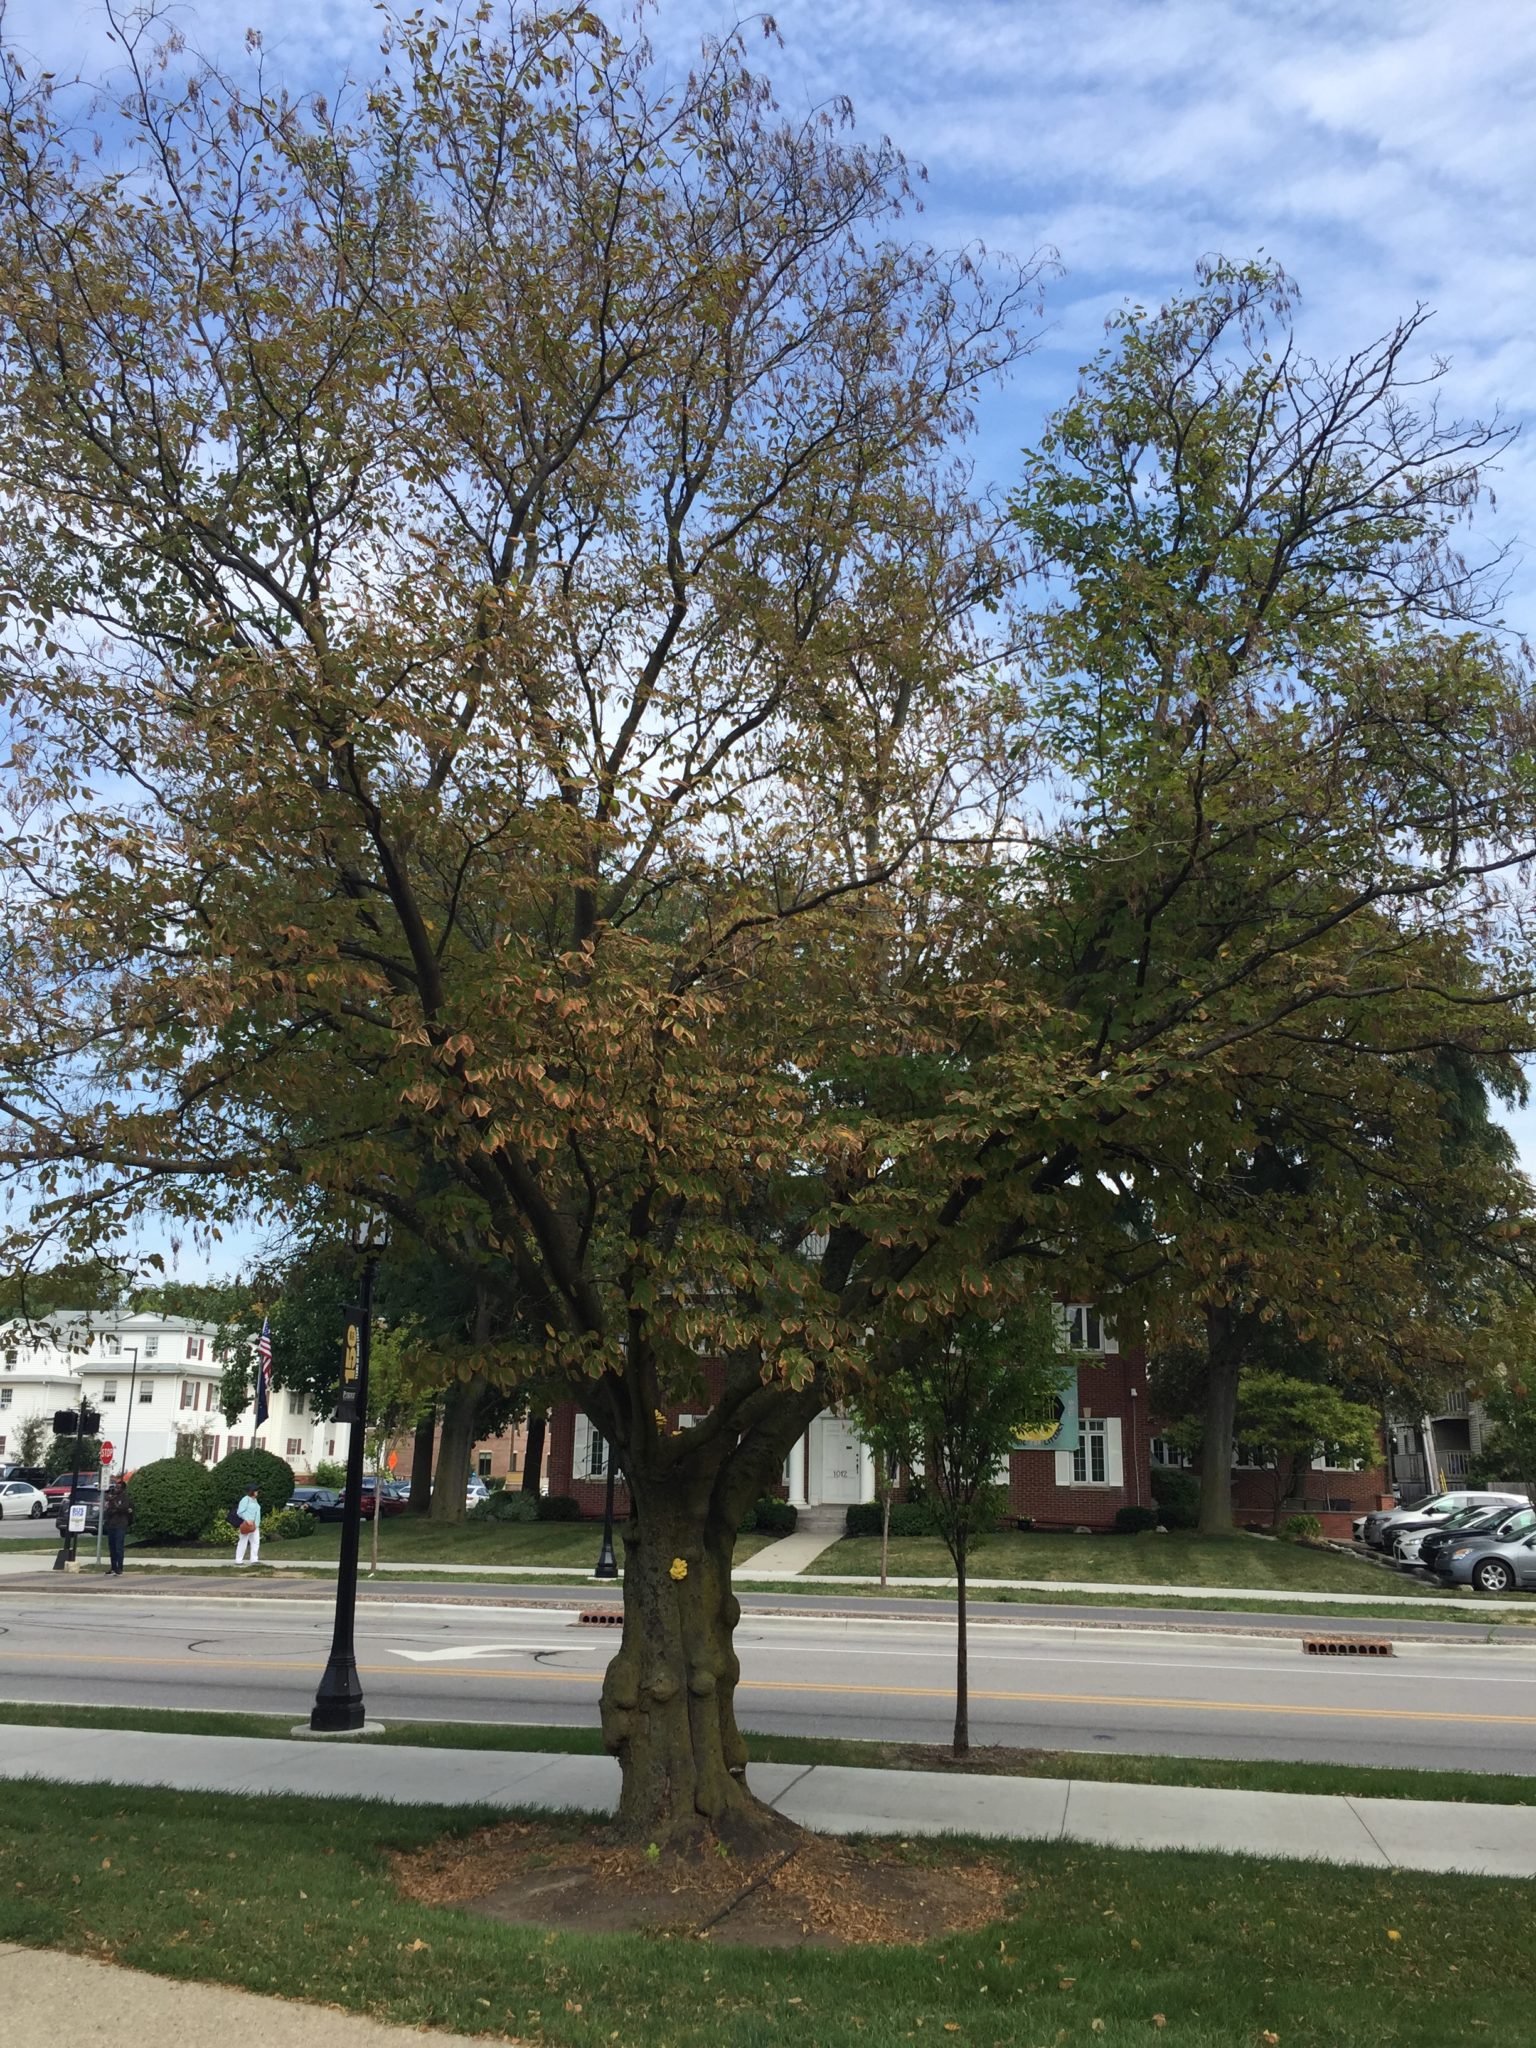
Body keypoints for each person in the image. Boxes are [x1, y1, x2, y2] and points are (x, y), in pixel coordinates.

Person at [102, 1478, 134, 1576]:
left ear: (123, 1489)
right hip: (111, 1525)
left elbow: (124, 1508)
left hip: (121, 1525)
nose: (116, 1489)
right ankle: (113, 1567)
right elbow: (108, 1511)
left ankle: (119, 1568)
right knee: (112, 1547)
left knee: (119, 1547)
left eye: (118, 1487)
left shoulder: (125, 1498)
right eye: (115, 1487)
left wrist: (115, 1506)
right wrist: (112, 1507)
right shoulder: (111, 1498)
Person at [235, 1485, 262, 1565]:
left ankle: (254, 1559)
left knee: (256, 1542)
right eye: (256, 1490)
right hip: (247, 1524)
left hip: (255, 1525)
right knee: (243, 1541)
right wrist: (247, 1519)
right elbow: (240, 1512)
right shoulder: (245, 1500)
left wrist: (257, 1523)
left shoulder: (255, 1500)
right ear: (252, 1491)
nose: (257, 1492)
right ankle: (238, 1560)